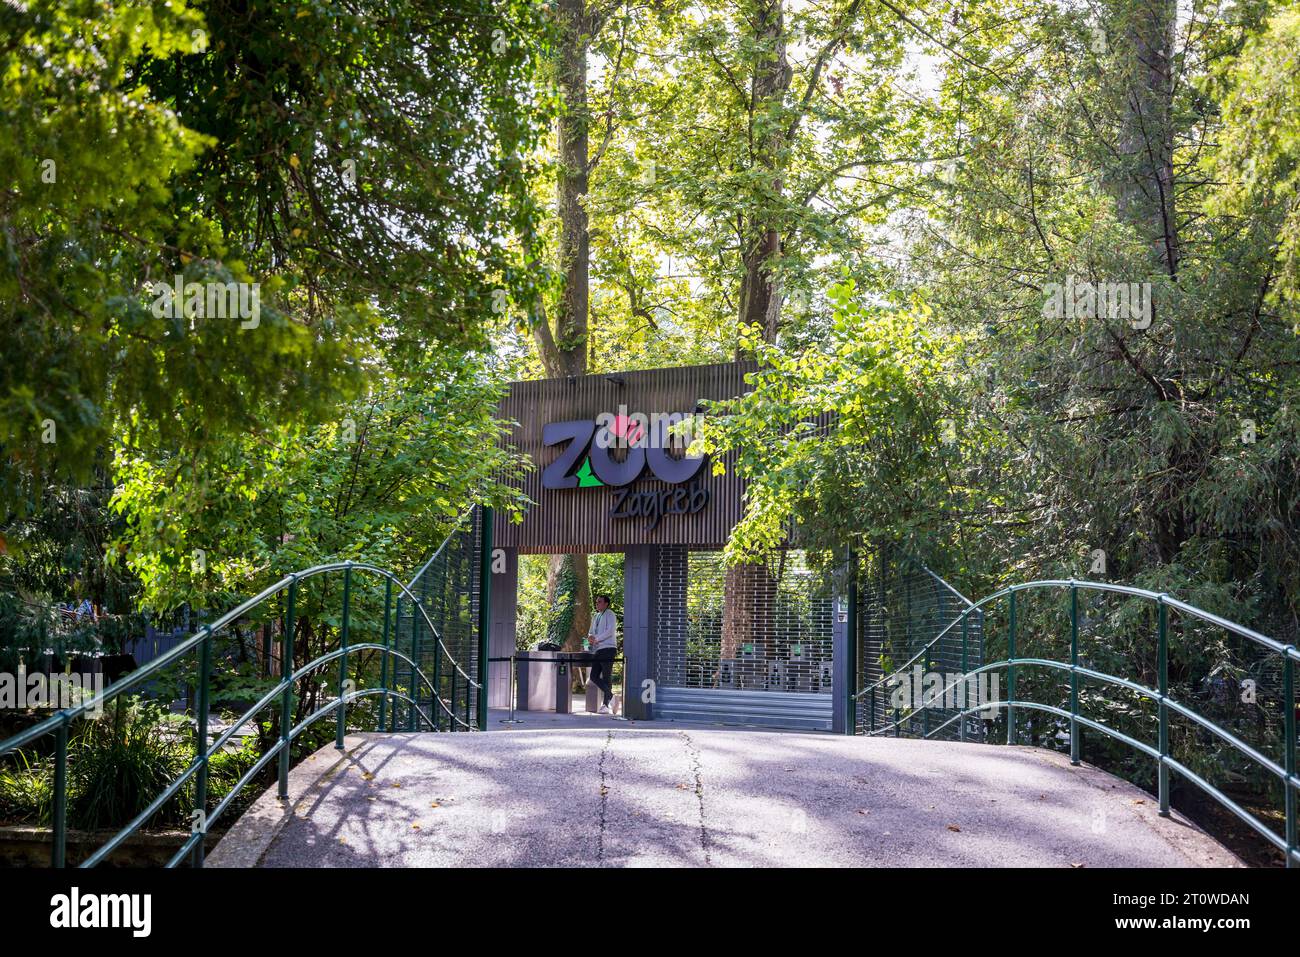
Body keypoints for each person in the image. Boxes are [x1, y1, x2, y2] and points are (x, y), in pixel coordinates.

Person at [586, 594, 618, 714]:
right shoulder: (596, 616)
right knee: (593, 676)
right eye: (596, 602)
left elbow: (610, 631)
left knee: (606, 676)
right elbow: (591, 632)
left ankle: (605, 705)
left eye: (599, 602)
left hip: (608, 648)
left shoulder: (610, 614)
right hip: (598, 649)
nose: (597, 603)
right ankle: (611, 696)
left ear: (606, 604)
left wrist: (597, 639)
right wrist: (590, 637)